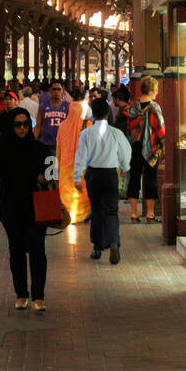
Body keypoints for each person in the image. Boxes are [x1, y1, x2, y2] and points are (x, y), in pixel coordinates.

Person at [0, 108, 51, 313]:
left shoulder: (40, 149)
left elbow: (52, 170)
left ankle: (38, 296)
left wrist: (45, 177)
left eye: (25, 124)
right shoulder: (3, 149)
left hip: (37, 207)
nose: (22, 128)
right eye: (17, 124)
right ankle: (21, 294)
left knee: (37, 250)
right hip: (12, 207)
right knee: (17, 250)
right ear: (11, 127)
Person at [75, 97, 131, 263]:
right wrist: (124, 167)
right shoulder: (116, 133)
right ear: (108, 113)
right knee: (111, 210)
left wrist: (77, 177)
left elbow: (80, 157)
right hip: (110, 175)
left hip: (93, 175)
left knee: (97, 210)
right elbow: (125, 153)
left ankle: (97, 248)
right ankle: (113, 240)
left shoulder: (85, 134)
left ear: (93, 114)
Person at [124, 75, 165, 224]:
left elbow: (128, 126)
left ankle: (134, 214)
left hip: (135, 146)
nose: (158, 92)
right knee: (151, 179)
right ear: (152, 89)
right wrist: (163, 143)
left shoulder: (133, 107)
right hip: (150, 148)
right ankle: (150, 214)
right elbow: (159, 128)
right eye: (157, 89)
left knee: (134, 178)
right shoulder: (154, 107)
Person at [55, 98, 92, 224]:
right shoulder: (87, 125)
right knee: (82, 190)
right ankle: (83, 214)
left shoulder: (62, 126)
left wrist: (58, 163)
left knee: (66, 191)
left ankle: (68, 215)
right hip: (82, 166)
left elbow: (58, 147)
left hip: (66, 166)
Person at [35, 79, 69, 151]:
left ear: (63, 90)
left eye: (59, 89)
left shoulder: (67, 106)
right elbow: (38, 126)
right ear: (50, 90)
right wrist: (33, 141)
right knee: (48, 162)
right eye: (54, 89)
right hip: (47, 144)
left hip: (62, 144)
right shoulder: (43, 106)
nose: (56, 91)